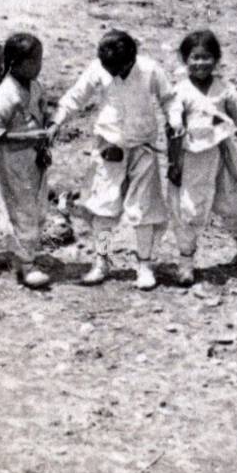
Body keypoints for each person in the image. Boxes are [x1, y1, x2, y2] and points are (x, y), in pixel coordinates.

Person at [51, 29, 174, 290]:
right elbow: (76, 96)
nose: (113, 73)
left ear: (131, 59)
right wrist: (56, 122)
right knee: (104, 211)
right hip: (109, 147)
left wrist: (175, 124)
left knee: (144, 210)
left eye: (118, 68)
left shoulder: (150, 70)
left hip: (144, 147)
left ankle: (144, 264)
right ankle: (101, 261)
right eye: (109, 68)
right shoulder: (99, 69)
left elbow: (169, 100)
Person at [166, 29, 237, 284]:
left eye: (206, 57)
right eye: (195, 57)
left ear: (216, 60)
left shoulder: (225, 89)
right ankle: (186, 261)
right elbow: (173, 117)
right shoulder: (180, 90)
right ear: (185, 60)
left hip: (223, 153)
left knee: (235, 202)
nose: (201, 63)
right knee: (190, 208)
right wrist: (174, 158)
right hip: (193, 156)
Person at [0, 32, 52, 290]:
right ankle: (26, 264)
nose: (39, 65)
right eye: (34, 61)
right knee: (22, 209)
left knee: (37, 206)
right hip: (13, 159)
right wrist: (27, 136)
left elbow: (42, 110)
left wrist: (46, 126)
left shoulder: (34, 86)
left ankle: (23, 255)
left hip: (34, 158)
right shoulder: (5, 93)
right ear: (17, 63)